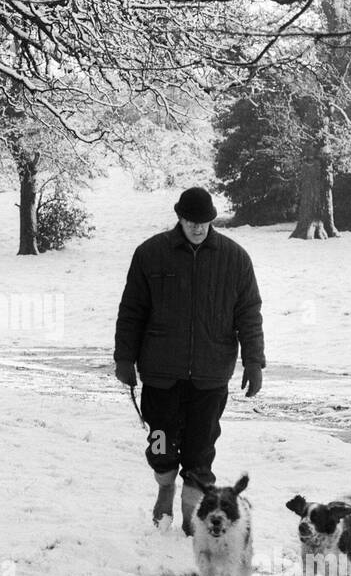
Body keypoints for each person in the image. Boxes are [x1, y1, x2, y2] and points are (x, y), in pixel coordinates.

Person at [113, 186, 266, 534]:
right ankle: (165, 486)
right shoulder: (151, 254)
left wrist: (254, 361)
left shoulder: (234, 258)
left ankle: (189, 510)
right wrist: (125, 357)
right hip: (160, 372)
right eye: (190, 221)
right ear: (179, 217)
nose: (198, 228)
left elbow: (249, 313)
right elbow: (132, 310)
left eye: (204, 222)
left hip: (211, 374)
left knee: (200, 450)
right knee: (161, 442)